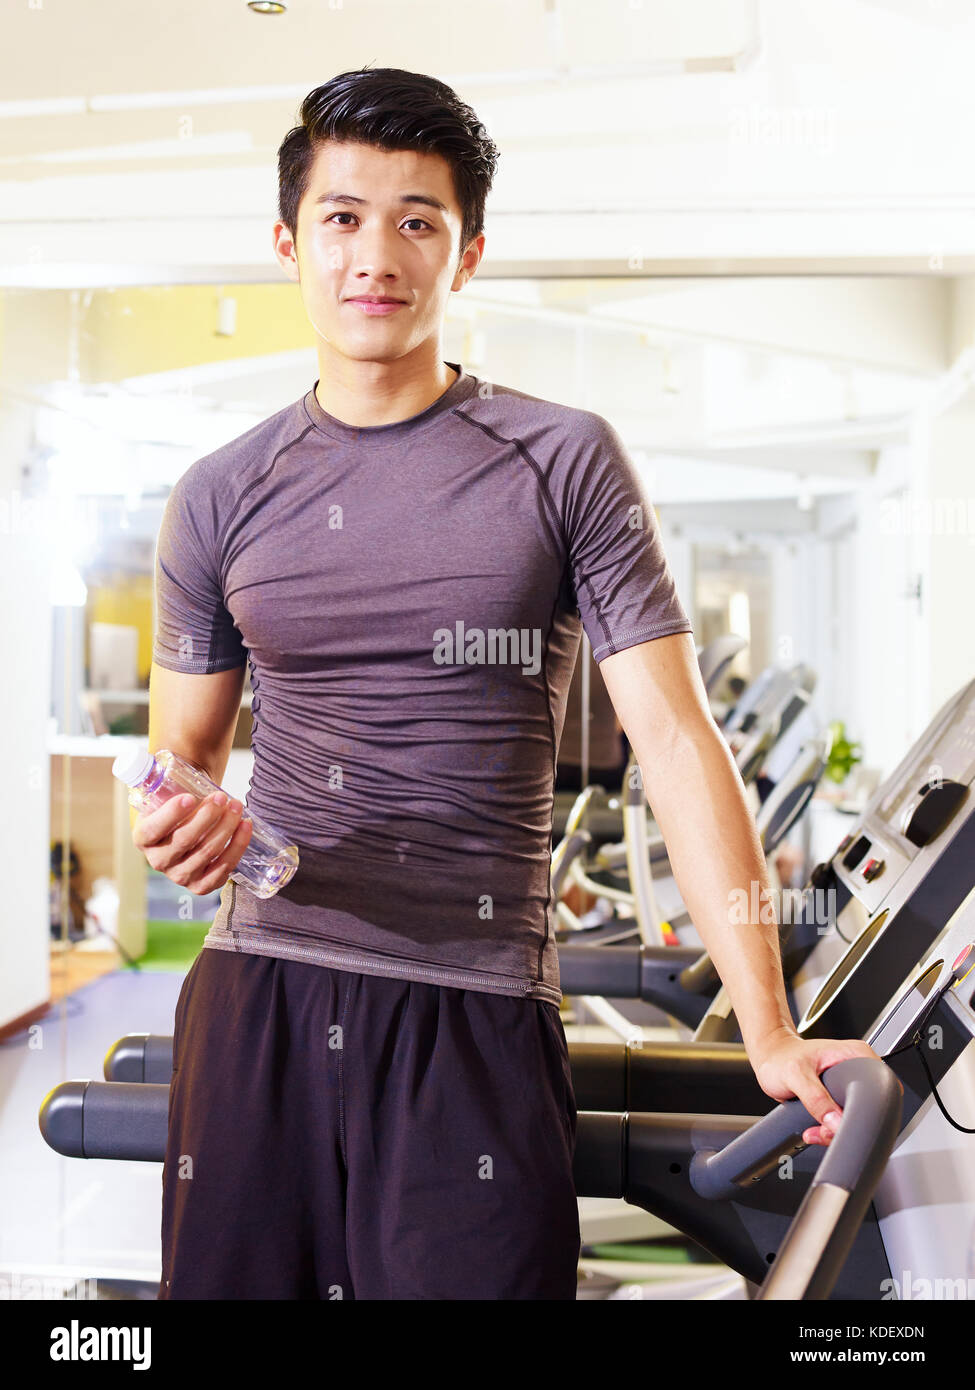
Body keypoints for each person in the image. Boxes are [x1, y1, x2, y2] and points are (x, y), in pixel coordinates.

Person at [133, 66, 878, 1302]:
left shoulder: (559, 458)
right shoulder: (217, 493)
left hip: (472, 1009)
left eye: (418, 219)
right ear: (289, 241)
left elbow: (677, 741)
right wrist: (187, 818)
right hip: (262, 992)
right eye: (343, 216)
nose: (378, 252)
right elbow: (182, 764)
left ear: (466, 252)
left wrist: (767, 1023)